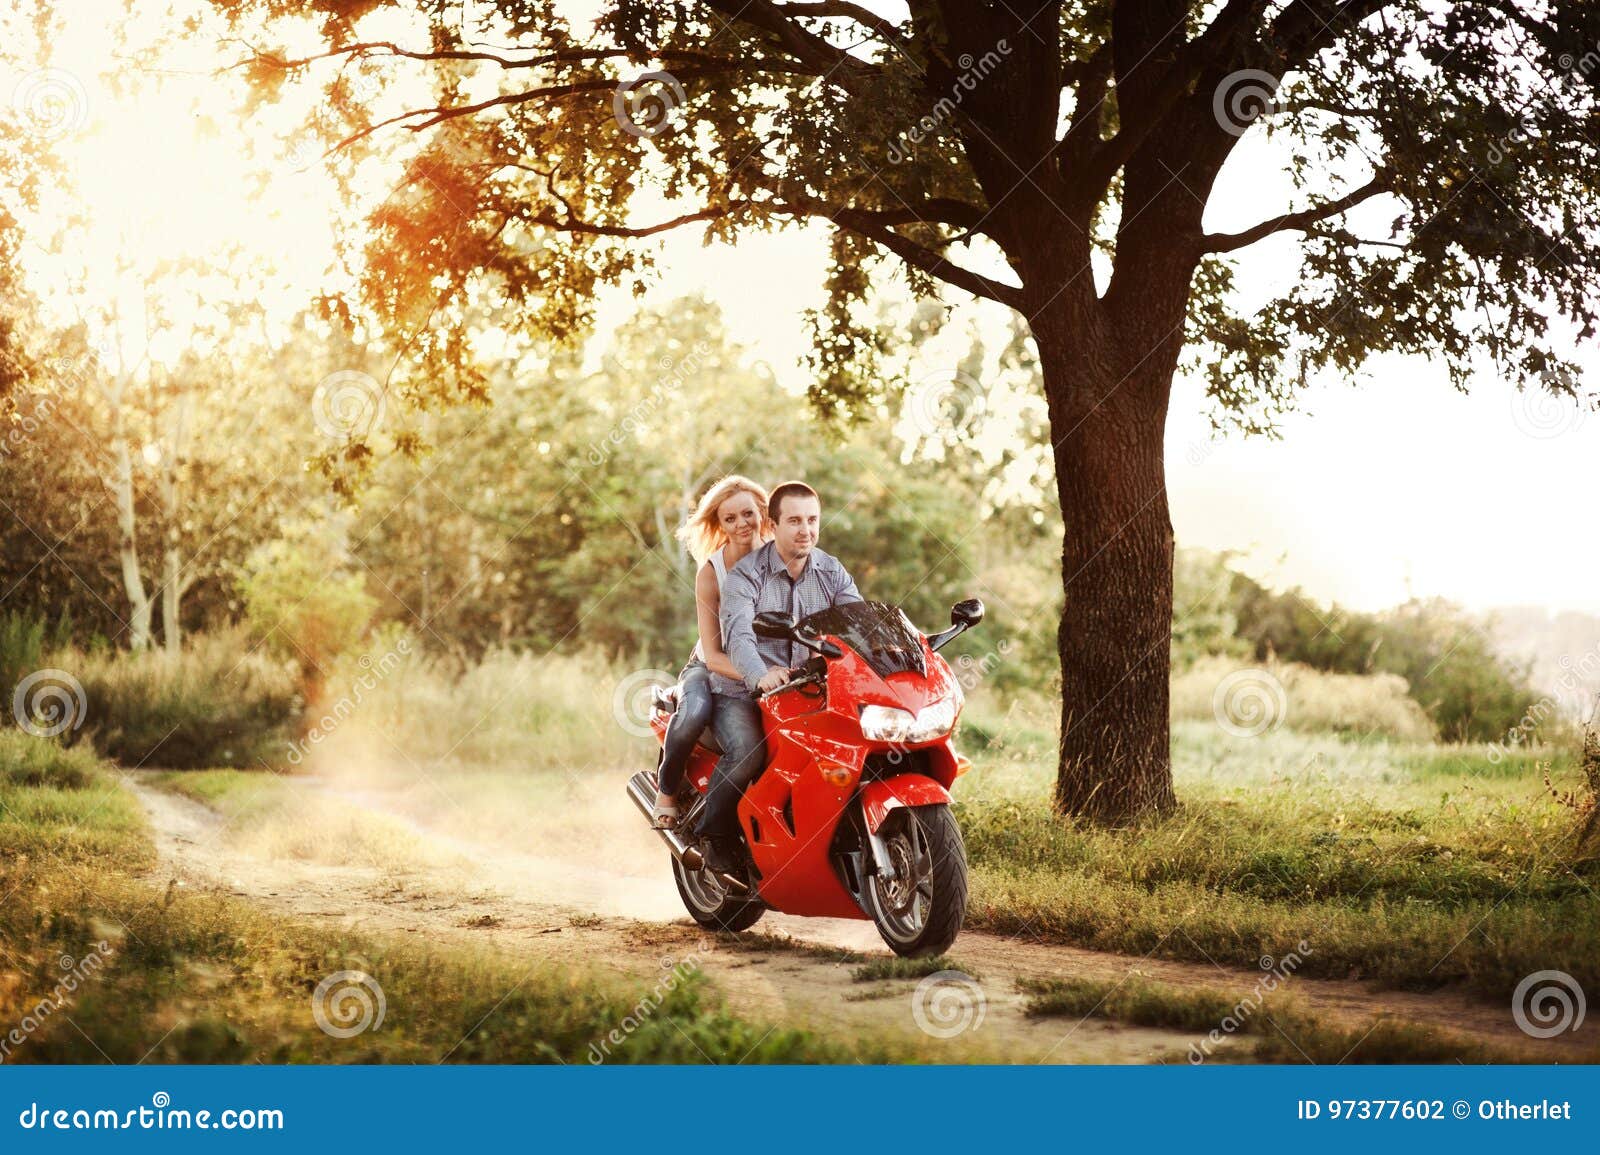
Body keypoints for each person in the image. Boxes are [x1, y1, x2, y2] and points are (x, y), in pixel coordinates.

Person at [692, 480, 862, 874]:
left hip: (803, 688)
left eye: (812, 520)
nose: (806, 530)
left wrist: (889, 651)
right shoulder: (745, 575)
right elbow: (739, 637)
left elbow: (856, 620)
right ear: (774, 524)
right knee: (749, 750)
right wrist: (759, 675)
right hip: (743, 689)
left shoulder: (831, 570)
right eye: (795, 521)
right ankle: (714, 835)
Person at [650, 475, 772, 830]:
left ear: (762, 513)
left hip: (769, 671)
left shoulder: (784, 560)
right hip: (710, 667)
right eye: (729, 518)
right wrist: (760, 675)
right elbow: (715, 655)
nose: (741, 524)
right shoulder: (711, 573)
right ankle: (667, 791)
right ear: (719, 525)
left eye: (747, 514)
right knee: (694, 714)